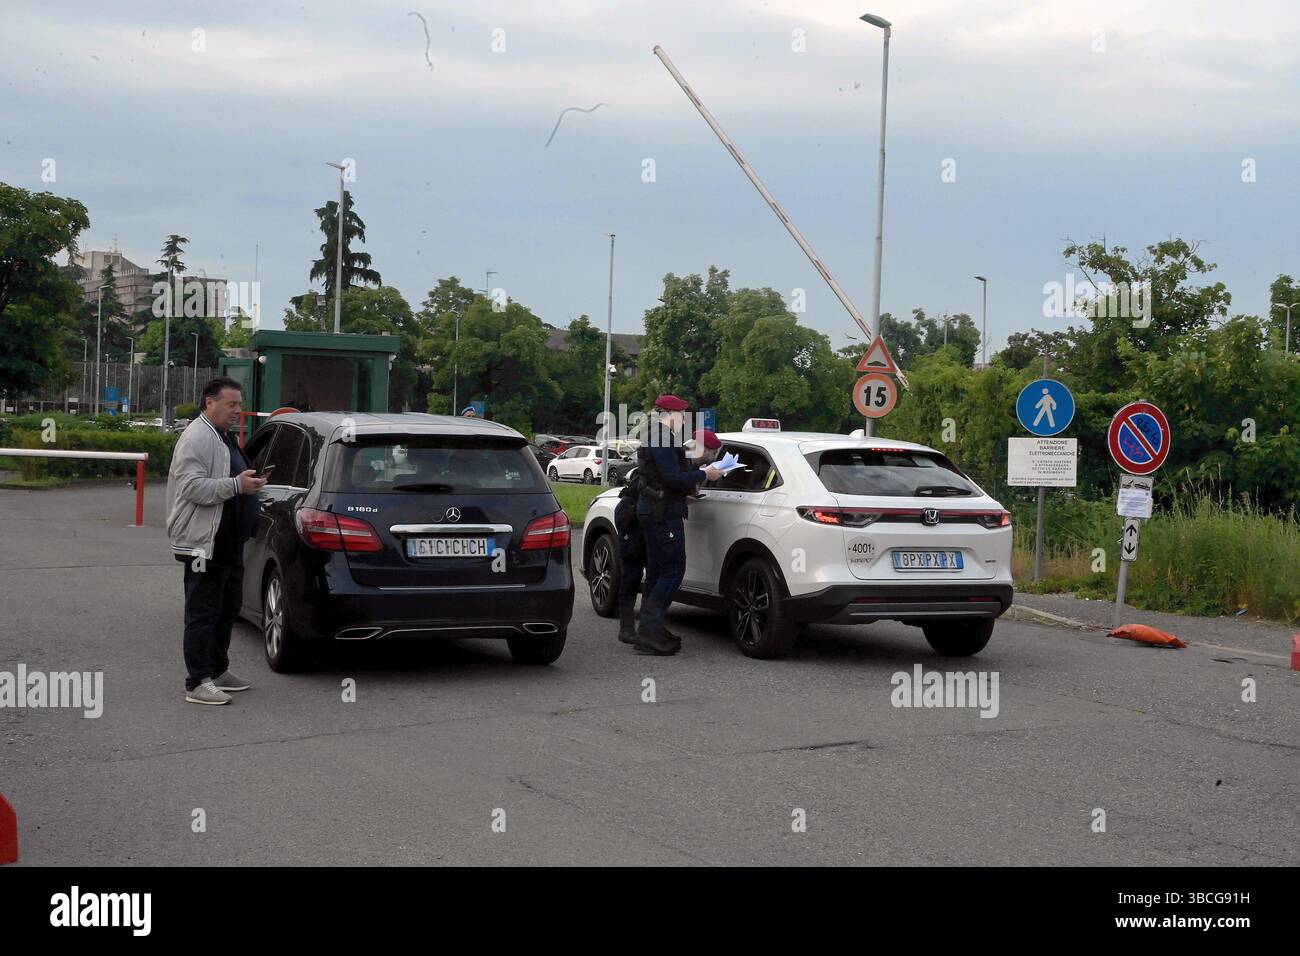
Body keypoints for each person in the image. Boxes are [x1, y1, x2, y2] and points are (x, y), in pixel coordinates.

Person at [166, 377, 265, 705]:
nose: (238, 410)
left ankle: (218, 670)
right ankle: (197, 682)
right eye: (231, 404)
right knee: (202, 612)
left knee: (227, 608)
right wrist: (237, 486)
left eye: (239, 404)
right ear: (209, 403)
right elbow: (191, 488)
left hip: (227, 540)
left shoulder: (222, 435)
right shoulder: (197, 437)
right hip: (201, 543)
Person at [633, 396, 722, 655]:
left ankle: (651, 630)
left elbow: (664, 476)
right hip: (661, 514)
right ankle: (650, 630)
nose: (684, 418)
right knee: (672, 571)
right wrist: (707, 473)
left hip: (657, 509)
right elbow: (673, 477)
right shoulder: (661, 436)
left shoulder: (656, 435)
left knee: (658, 572)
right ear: (671, 413)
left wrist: (685, 492)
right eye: (682, 414)